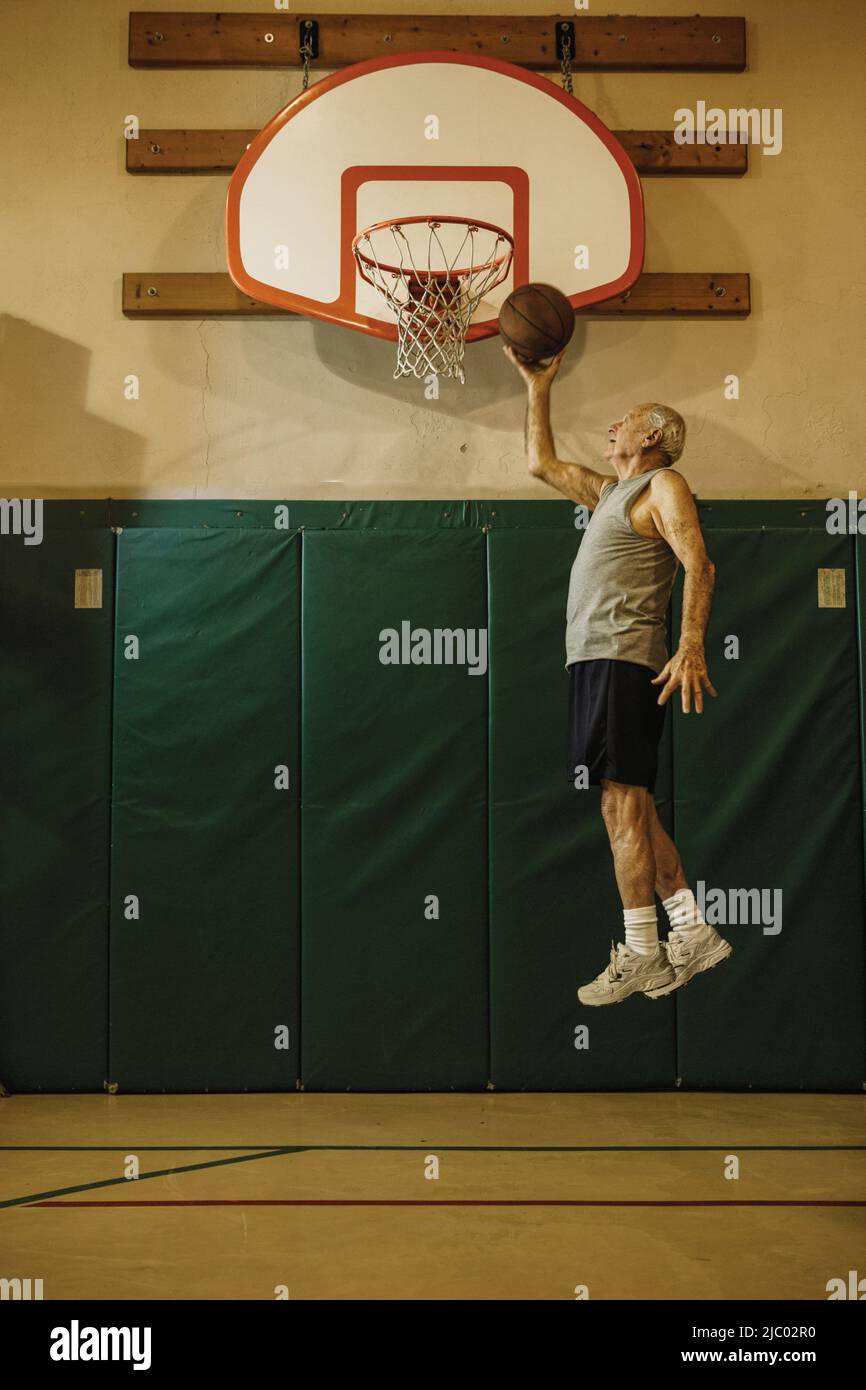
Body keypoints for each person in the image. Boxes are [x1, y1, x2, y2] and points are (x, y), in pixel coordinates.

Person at [505, 345, 732, 1005]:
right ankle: (689, 931)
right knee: (623, 799)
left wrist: (690, 642)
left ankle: (643, 951)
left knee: (621, 803)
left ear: (654, 436)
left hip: (625, 660)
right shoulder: (610, 491)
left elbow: (701, 564)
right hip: (595, 662)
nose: (612, 427)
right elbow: (539, 463)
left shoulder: (664, 486)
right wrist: (537, 385)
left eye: (625, 420)